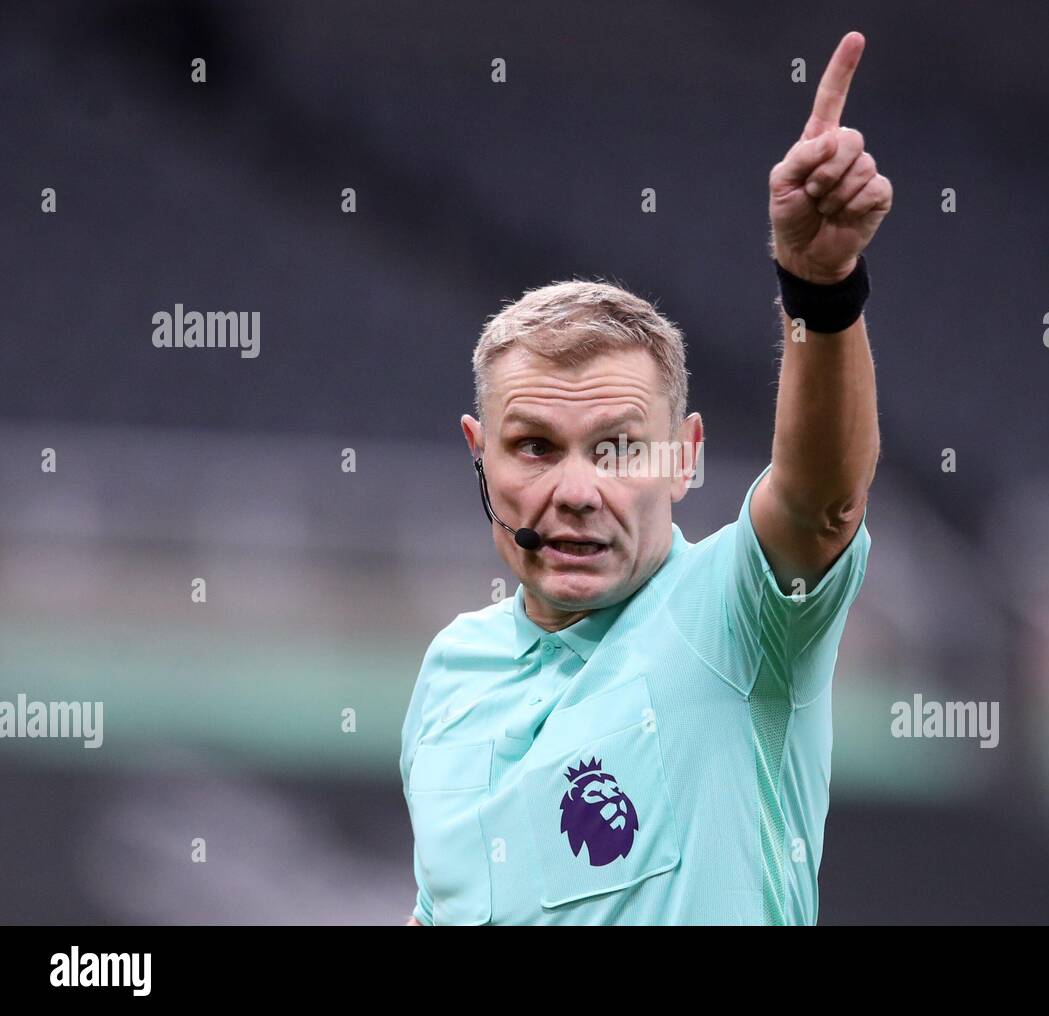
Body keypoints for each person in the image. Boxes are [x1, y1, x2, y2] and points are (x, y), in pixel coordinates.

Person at [401, 30, 889, 925]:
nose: (578, 490)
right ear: (481, 454)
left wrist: (821, 287)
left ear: (685, 457)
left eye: (621, 449)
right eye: (537, 447)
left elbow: (823, 503)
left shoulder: (738, 619)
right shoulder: (451, 676)